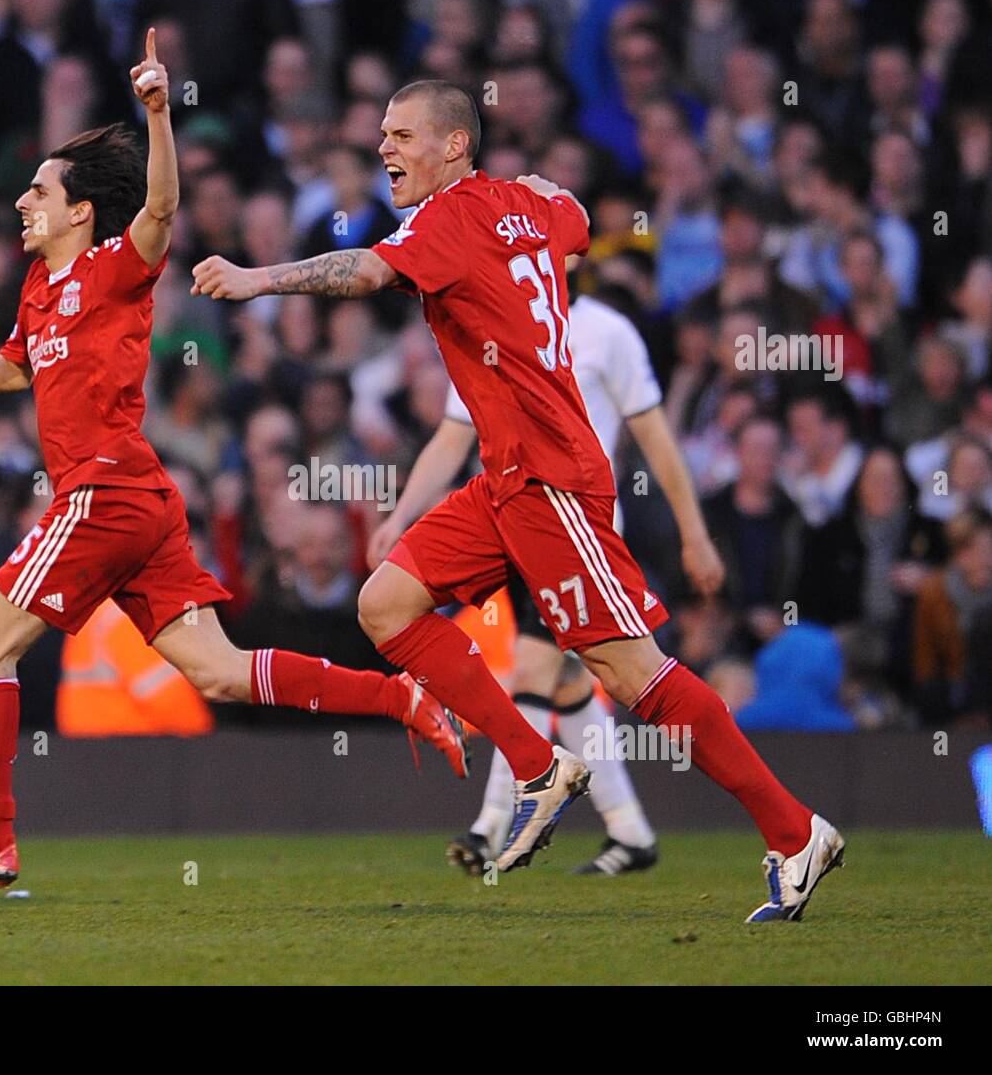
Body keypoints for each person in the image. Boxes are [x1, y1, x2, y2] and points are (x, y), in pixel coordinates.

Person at [192, 79, 844, 922]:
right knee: (386, 603)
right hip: (506, 478)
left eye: (400, 135)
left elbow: (360, 270)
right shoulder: (521, 209)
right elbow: (570, 217)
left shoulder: (445, 218)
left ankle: (794, 833)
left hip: (552, 479)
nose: (384, 149)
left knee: (632, 671)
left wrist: (258, 278)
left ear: (454, 145)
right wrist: (543, 189)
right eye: (382, 134)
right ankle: (539, 766)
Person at [0, 33, 466, 891]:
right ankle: (402, 697)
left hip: (102, 493)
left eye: (38, 190)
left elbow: (161, 210)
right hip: (142, 503)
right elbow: (16, 367)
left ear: (81, 209)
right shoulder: (39, 291)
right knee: (221, 672)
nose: (21, 200)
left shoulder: (112, 270)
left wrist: (158, 112)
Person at [366, 281, 725, 876]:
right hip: (515, 523)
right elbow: (453, 438)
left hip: (580, 528)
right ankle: (630, 831)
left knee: (537, 669)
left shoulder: (608, 332)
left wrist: (695, 533)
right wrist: (401, 516)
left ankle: (491, 825)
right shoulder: (493, 326)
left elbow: (656, 440)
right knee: (567, 684)